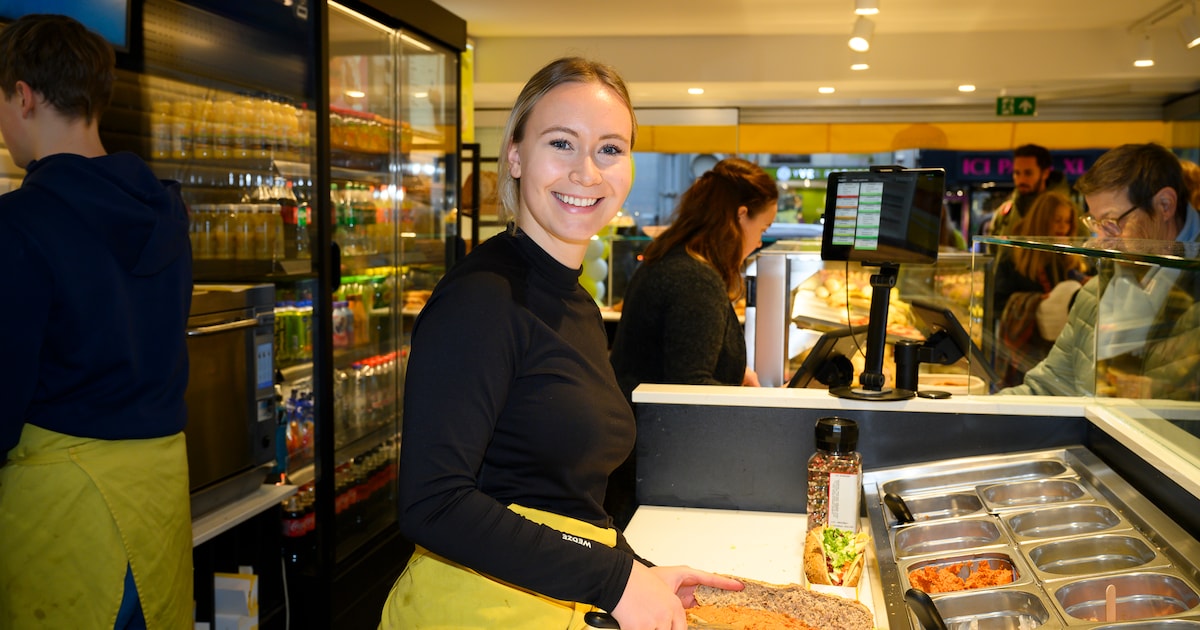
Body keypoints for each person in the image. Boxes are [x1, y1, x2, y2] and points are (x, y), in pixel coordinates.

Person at [381, 57, 741, 630]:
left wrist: (636, 570)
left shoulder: (573, 302)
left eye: (609, 148)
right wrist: (613, 580)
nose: (587, 173)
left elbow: (555, 495)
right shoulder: (482, 300)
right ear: (517, 156)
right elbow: (434, 503)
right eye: (562, 143)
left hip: (546, 601)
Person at [0, 14, 194, 629]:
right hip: (158, 504)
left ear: (24, 96)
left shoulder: (20, 223)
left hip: (67, 520)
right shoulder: (167, 213)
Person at [605, 156, 775, 527]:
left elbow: (678, 355)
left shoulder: (673, 260)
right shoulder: (694, 280)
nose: (760, 241)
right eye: (763, 228)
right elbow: (689, 387)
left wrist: (737, 371)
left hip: (638, 453)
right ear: (740, 216)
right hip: (655, 465)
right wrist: (750, 405)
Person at [1002, 143, 1199, 398]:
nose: (1101, 240)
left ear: (1164, 205)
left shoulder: (1189, 294)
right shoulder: (1094, 293)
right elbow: (1050, 385)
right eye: (1095, 223)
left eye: (1112, 222)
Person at [991, 191, 1089, 387]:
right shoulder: (1014, 256)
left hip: (1064, 352)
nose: (1063, 227)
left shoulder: (1071, 259)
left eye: (1067, 221)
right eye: (1057, 220)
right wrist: (1035, 303)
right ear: (1041, 220)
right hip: (1025, 355)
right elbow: (997, 304)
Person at [987, 143, 1055, 238]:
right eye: (1017, 173)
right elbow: (993, 251)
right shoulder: (1004, 214)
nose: (1021, 179)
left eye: (1028, 173)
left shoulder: (1064, 212)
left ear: (1045, 173)